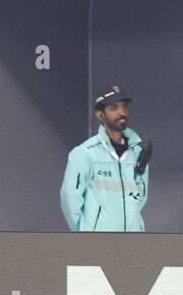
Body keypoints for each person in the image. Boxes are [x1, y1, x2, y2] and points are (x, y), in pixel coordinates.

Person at [60, 85, 150, 233]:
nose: (122, 112)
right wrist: (84, 234)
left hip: (133, 244)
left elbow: (141, 198)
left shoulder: (138, 153)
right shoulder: (84, 154)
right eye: (114, 107)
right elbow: (70, 200)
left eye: (124, 107)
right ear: (100, 115)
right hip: (97, 246)